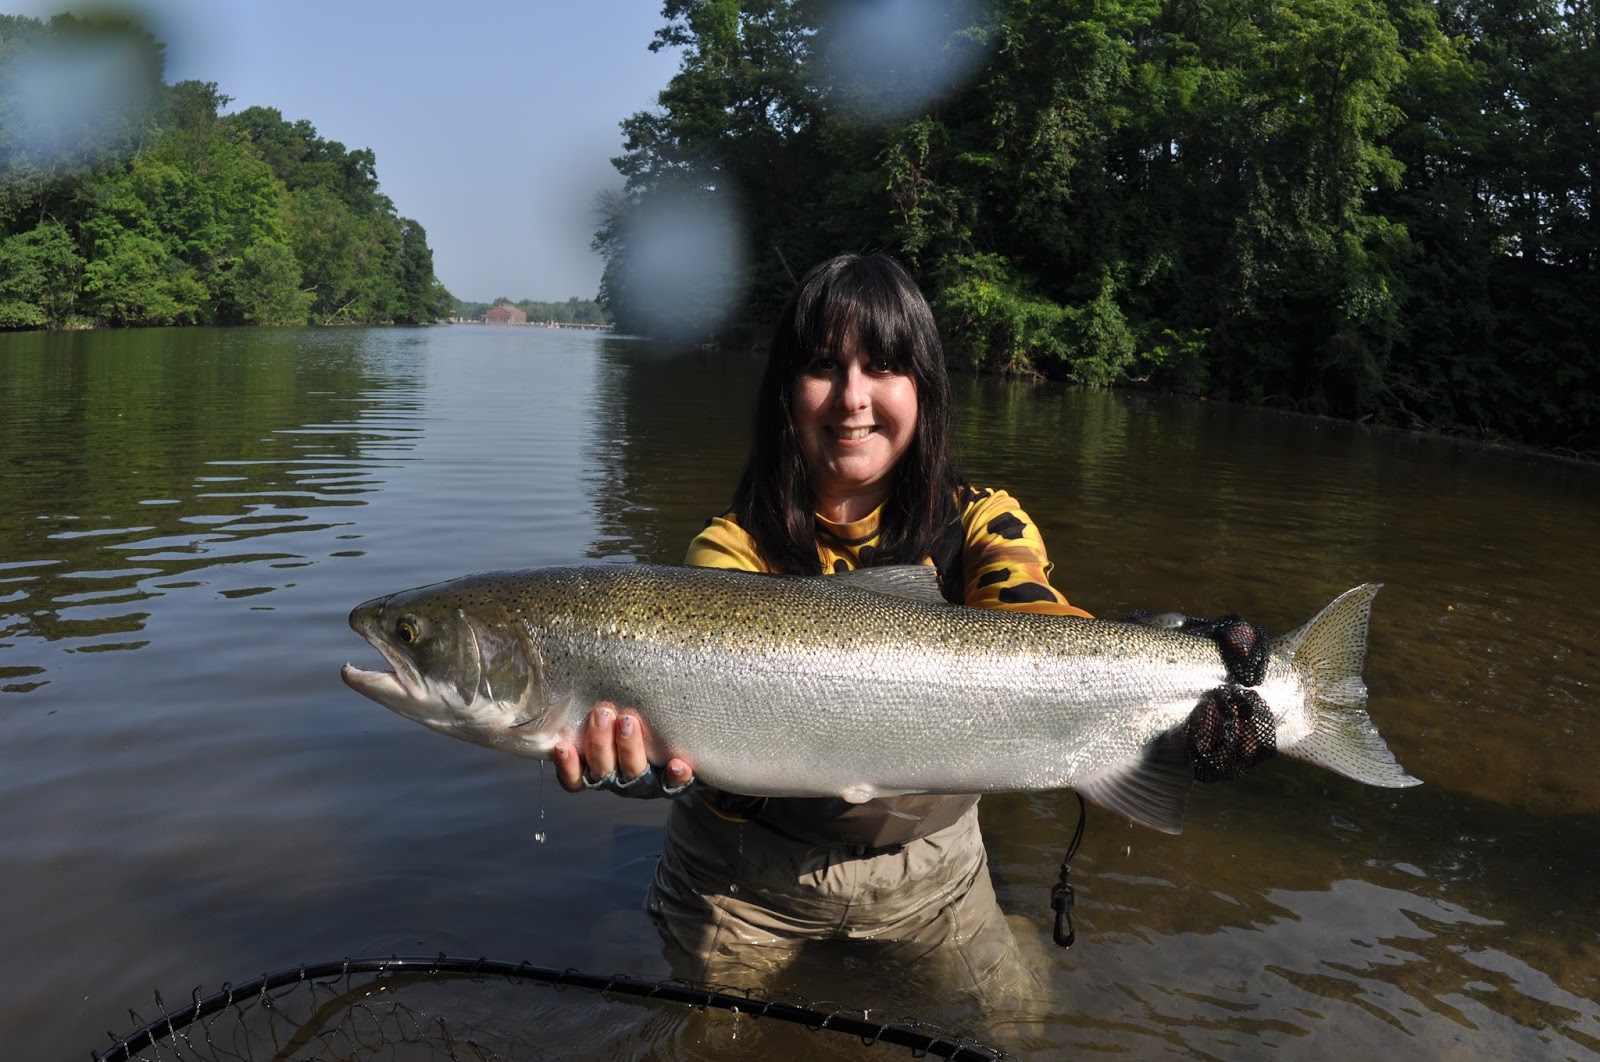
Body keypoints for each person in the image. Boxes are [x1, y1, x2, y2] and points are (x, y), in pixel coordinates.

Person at [551, 251, 1093, 1002]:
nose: (852, 398)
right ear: (785, 392)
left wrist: (1186, 677)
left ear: (924, 389)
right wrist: (635, 771)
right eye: (823, 367)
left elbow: (1041, 627)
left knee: (1016, 1025)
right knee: (710, 1046)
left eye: (883, 367)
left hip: (936, 871)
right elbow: (690, 740)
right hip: (742, 882)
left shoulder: (982, 520)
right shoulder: (728, 551)